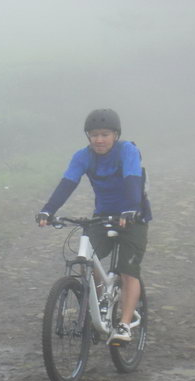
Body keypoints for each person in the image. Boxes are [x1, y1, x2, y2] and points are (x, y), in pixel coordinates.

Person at [36, 108, 151, 343]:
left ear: (115, 135)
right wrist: (48, 210)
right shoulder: (83, 156)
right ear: (88, 136)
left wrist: (130, 209)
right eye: (94, 134)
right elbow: (67, 183)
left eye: (105, 134)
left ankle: (125, 325)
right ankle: (100, 307)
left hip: (133, 214)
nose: (99, 139)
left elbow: (132, 180)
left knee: (128, 271)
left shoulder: (127, 151)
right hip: (103, 215)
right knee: (87, 260)